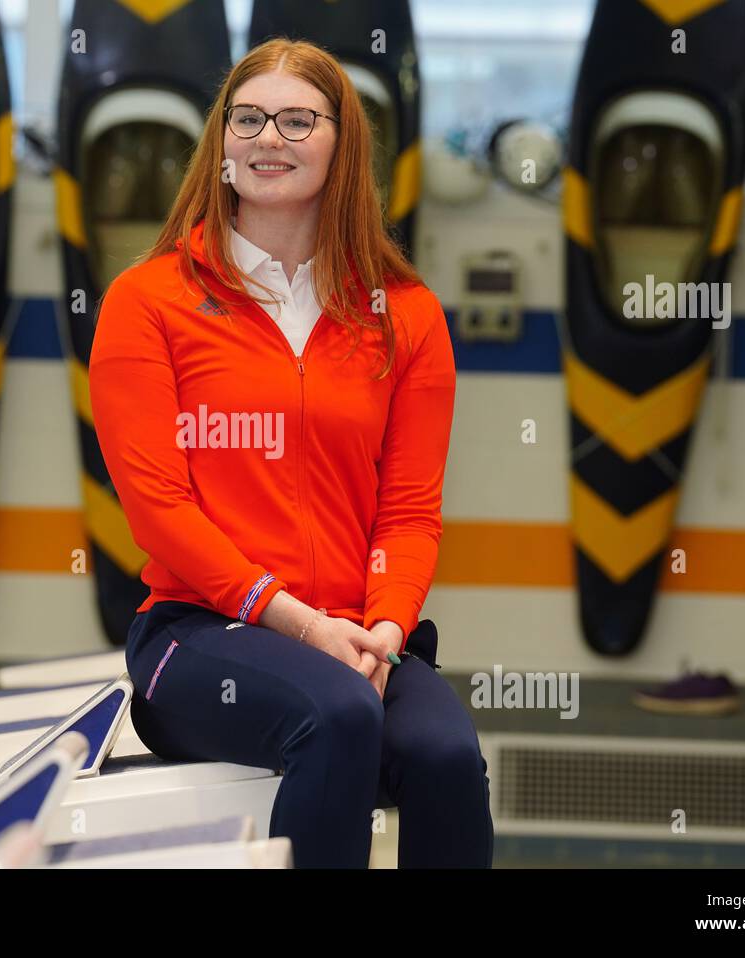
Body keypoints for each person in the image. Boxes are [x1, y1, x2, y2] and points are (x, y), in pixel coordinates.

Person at [89, 37, 493, 868]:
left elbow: (410, 511)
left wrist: (383, 630)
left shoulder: (407, 315)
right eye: (248, 119)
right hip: (199, 636)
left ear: (344, 145)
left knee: (446, 757)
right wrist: (299, 623)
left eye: (298, 120)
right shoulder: (149, 302)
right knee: (340, 716)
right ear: (222, 143)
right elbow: (158, 509)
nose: (268, 138)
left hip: (359, 639)